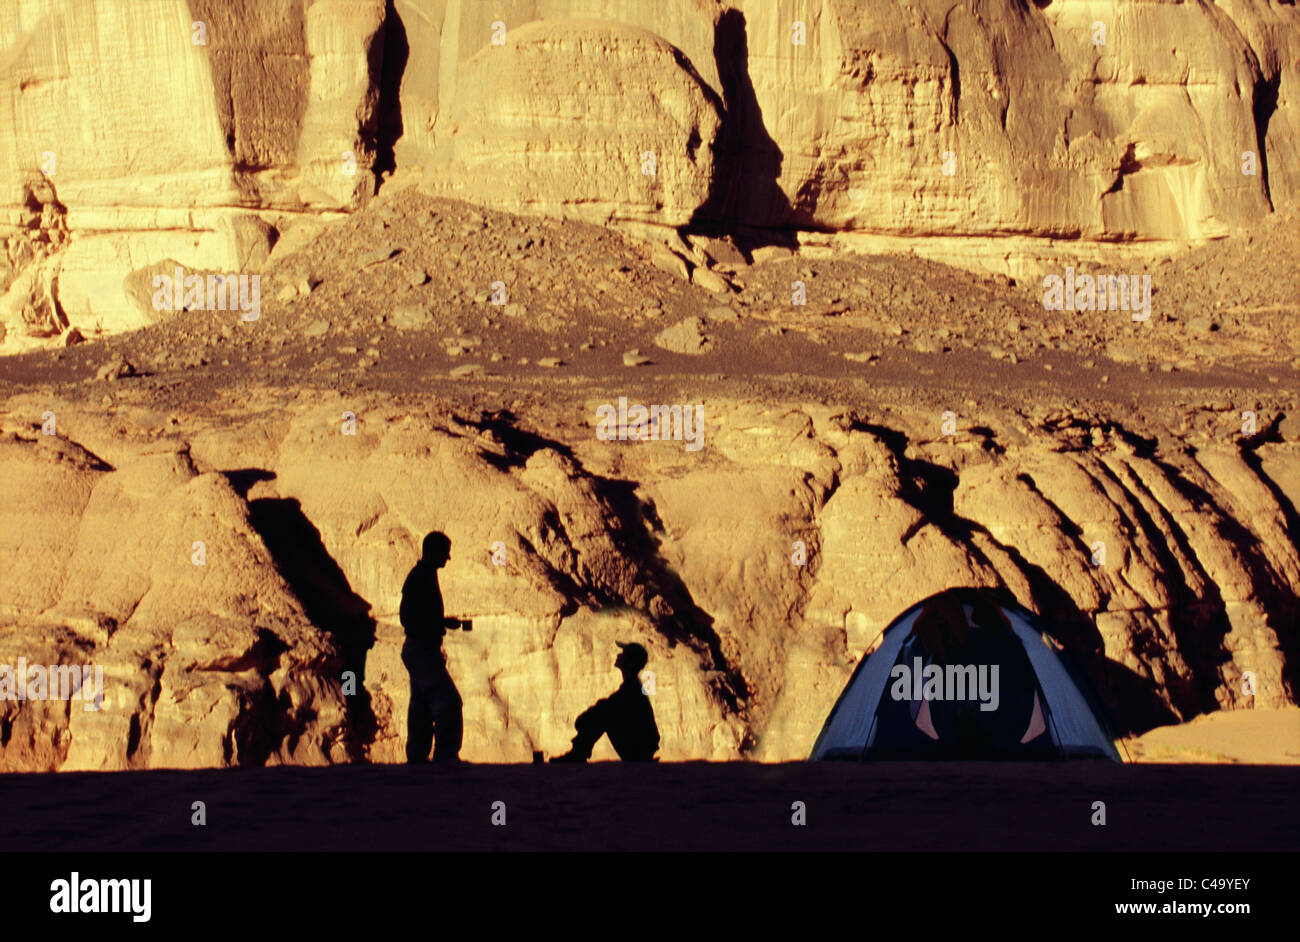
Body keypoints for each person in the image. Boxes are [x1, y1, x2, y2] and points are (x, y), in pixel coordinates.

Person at [400, 532, 467, 763]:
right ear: (432, 551)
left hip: (419, 649)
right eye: (445, 552)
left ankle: (417, 759)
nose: (448, 558)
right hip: (422, 649)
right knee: (449, 703)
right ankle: (446, 757)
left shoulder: (424, 575)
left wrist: (441, 622)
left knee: (422, 706)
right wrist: (441, 623)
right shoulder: (420, 577)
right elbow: (409, 618)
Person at [552, 642, 660, 762]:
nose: (619, 655)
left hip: (640, 750)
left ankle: (578, 754)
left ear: (630, 663)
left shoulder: (631, 689)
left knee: (604, 711)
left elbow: (605, 708)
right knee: (605, 709)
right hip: (643, 748)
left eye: (623, 654)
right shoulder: (633, 686)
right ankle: (578, 753)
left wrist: (584, 720)